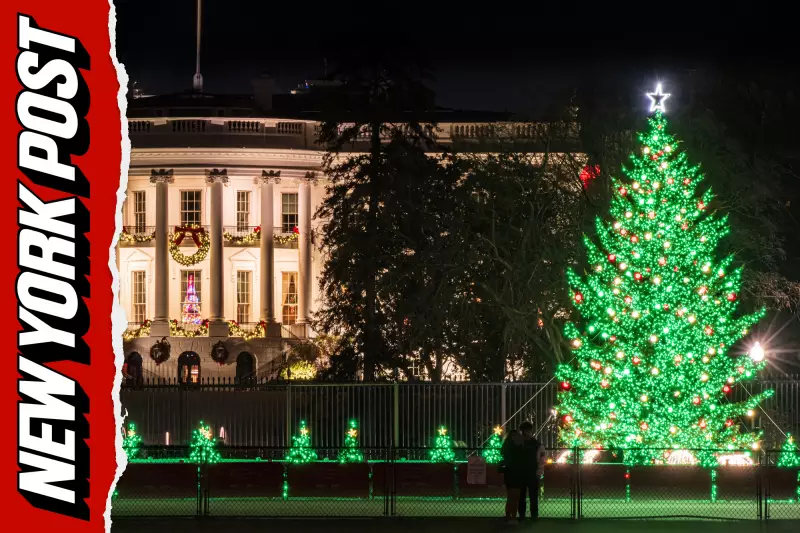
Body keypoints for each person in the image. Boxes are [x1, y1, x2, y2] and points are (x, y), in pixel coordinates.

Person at [517, 421, 546, 521]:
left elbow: (542, 460)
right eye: (526, 430)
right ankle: (524, 515)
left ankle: (532, 515)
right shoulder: (524, 443)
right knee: (523, 497)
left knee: (532, 497)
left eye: (529, 430)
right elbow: (542, 459)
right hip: (524, 473)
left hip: (531, 473)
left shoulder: (536, 444)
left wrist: (539, 472)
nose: (528, 432)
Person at [500, 429, 524, 524]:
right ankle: (513, 517)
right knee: (515, 497)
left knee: (510, 497)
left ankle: (508, 516)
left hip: (509, 473)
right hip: (516, 473)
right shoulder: (518, 448)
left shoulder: (506, 447)